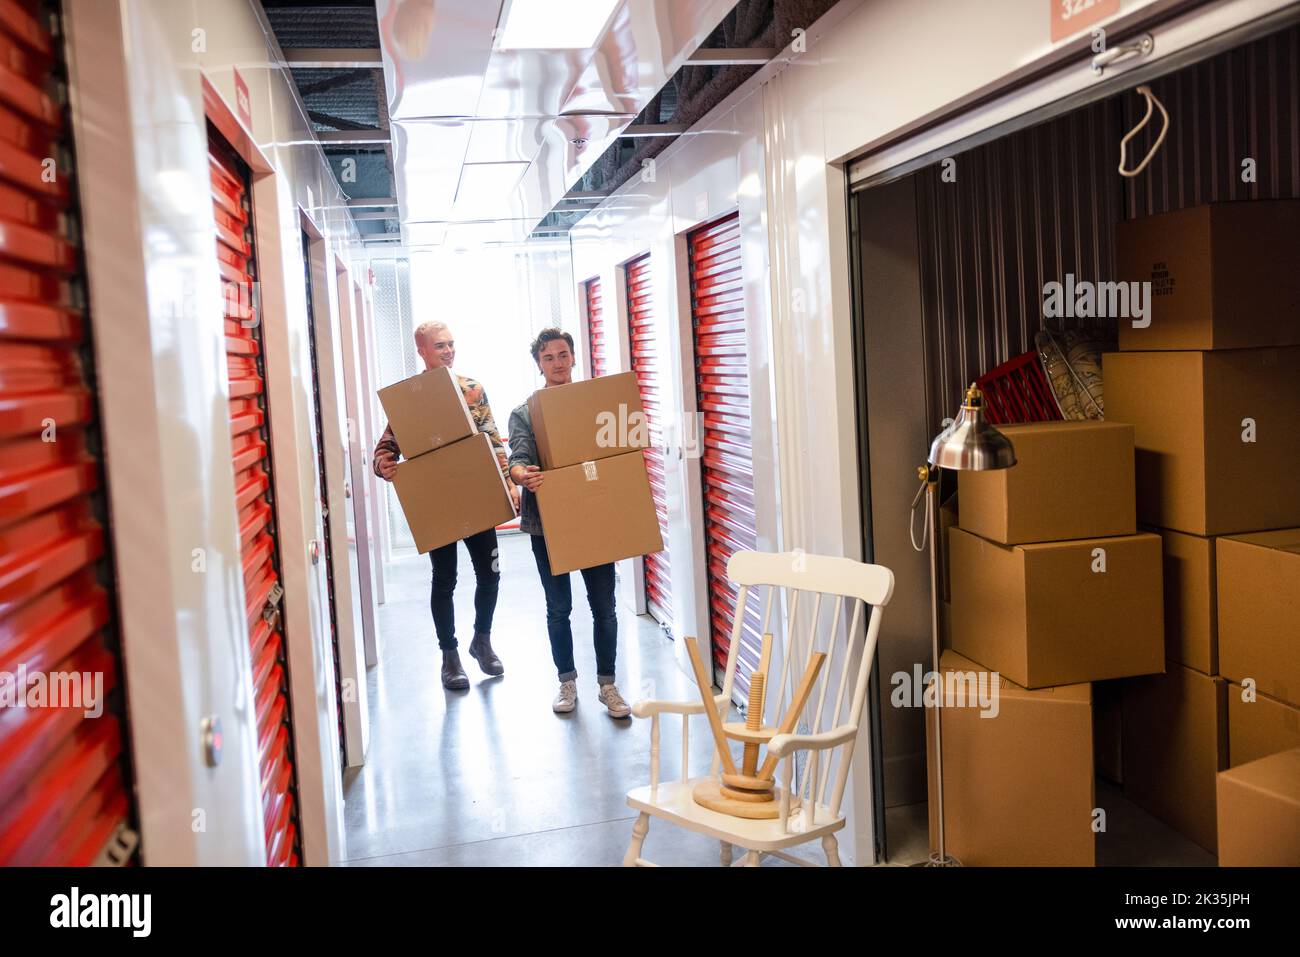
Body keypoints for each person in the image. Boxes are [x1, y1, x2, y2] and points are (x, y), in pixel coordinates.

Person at [373, 321, 520, 690]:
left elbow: (491, 436)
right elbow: (386, 447)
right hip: (438, 500)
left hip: (476, 492)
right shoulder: (411, 397)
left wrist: (507, 484)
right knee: (445, 579)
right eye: (440, 346)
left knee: (491, 573)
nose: (448, 351)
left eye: (451, 344)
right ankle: (449, 656)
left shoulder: (472, 389)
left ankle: (481, 641)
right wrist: (383, 465)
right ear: (421, 350)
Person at [507, 328, 631, 718]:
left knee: (604, 606)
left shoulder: (595, 404)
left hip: (595, 516)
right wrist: (521, 475)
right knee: (558, 607)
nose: (557, 363)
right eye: (548, 358)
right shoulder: (525, 412)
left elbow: (620, 448)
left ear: (573, 358)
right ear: (539, 365)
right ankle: (567, 682)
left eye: (563, 355)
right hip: (549, 522)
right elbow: (518, 457)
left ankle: (608, 685)